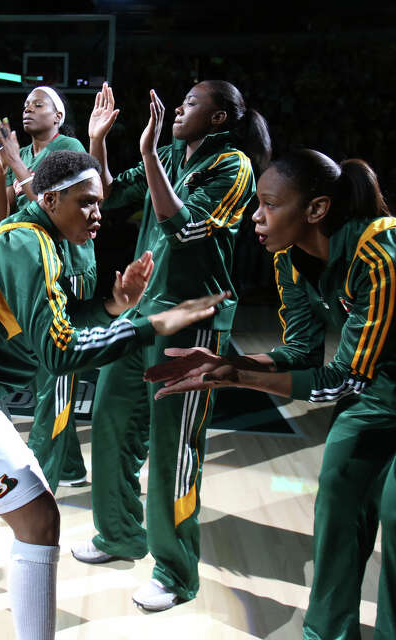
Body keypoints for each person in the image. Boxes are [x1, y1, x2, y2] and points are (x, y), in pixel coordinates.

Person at [144, 149, 396, 639]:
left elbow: (343, 379)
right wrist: (231, 365)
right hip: (388, 381)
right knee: (339, 497)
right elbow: (302, 353)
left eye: (269, 204)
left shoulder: (385, 251)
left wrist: (239, 377)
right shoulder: (288, 257)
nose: (255, 216)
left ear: (317, 209)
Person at [0, 150, 230, 640]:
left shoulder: (52, 238)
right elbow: (60, 352)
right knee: (39, 518)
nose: (97, 213)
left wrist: (114, 305)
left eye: (100, 203)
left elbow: (65, 317)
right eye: (85, 202)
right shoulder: (27, 244)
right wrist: (147, 325)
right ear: (50, 199)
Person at [70, 81, 271, 611]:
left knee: (173, 449)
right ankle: (119, 535)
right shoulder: (169, 156)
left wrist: (149, 156)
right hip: (142, 314)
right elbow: (106, 193)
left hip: (193, 322)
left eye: (192, 102)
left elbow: (183, 230)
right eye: (181, 101)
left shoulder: (233, 167)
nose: (180, 107)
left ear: (220, 118)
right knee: (111, 424)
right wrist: (98, 141)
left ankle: (175, 572)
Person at [0, 86, 91, 489]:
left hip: (69, 269)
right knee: (42, 374)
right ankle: (71, 467)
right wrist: (0, 171)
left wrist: (13, 162)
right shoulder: (22, 155)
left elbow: (52, 204)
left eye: (38, 104)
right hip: (33, 270)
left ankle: (40, 478)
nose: (28, 109)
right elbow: (0, 218)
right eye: (25, 104)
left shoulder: (69, 148)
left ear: (58, 116)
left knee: (55, 374)